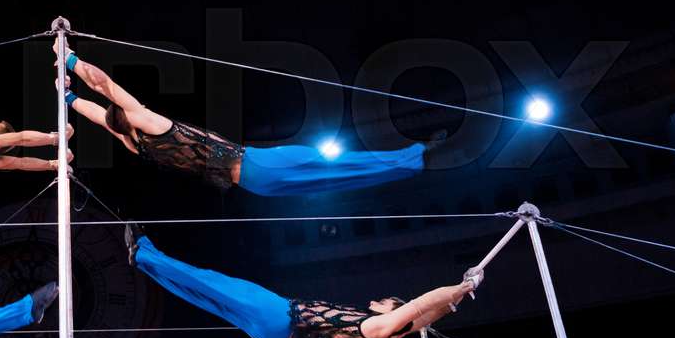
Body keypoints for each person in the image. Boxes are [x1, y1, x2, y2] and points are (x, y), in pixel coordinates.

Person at [59, 47, 424, 195]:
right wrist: (70, 59)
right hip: (256, 162)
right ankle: (412, 158)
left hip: (253, 183)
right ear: (129, 111)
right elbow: (102, 84)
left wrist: (67, 95)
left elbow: (96, 114)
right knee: (331, 162)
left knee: (331, 178)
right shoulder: (146, 120)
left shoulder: (132, 140)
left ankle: (408, 164)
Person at [124, 224, 479, 338]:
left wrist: (461, 287)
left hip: (280, 315)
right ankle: (145, 261)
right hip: (275, 333)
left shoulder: (381, 327)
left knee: (212, 284)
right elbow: (424, 317)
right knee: (209, 298)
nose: (379, 301)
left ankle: (145, 253)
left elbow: (417, 306)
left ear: (393, 311)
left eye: (388, 301)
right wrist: (453, 302)